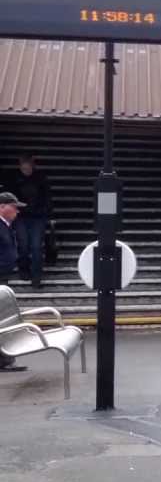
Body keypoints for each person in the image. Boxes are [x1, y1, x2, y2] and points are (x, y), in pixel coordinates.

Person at [12, 154, 51, 289]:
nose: (26, 171)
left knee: (35, 247)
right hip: (21, 216)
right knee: (23, 245)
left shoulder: (41, 179)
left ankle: (36, 277)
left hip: (37, 216)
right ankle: (24, 269)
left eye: (28, 169)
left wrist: (48, 214)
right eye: (24, 169)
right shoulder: (14, 179)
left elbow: (47, 198)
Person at [0, 192, 26, 372]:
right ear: (2, 207)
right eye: (14, 206)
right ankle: (3, 360)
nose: (17, 210)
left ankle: (4, 359)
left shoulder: (6, 225)